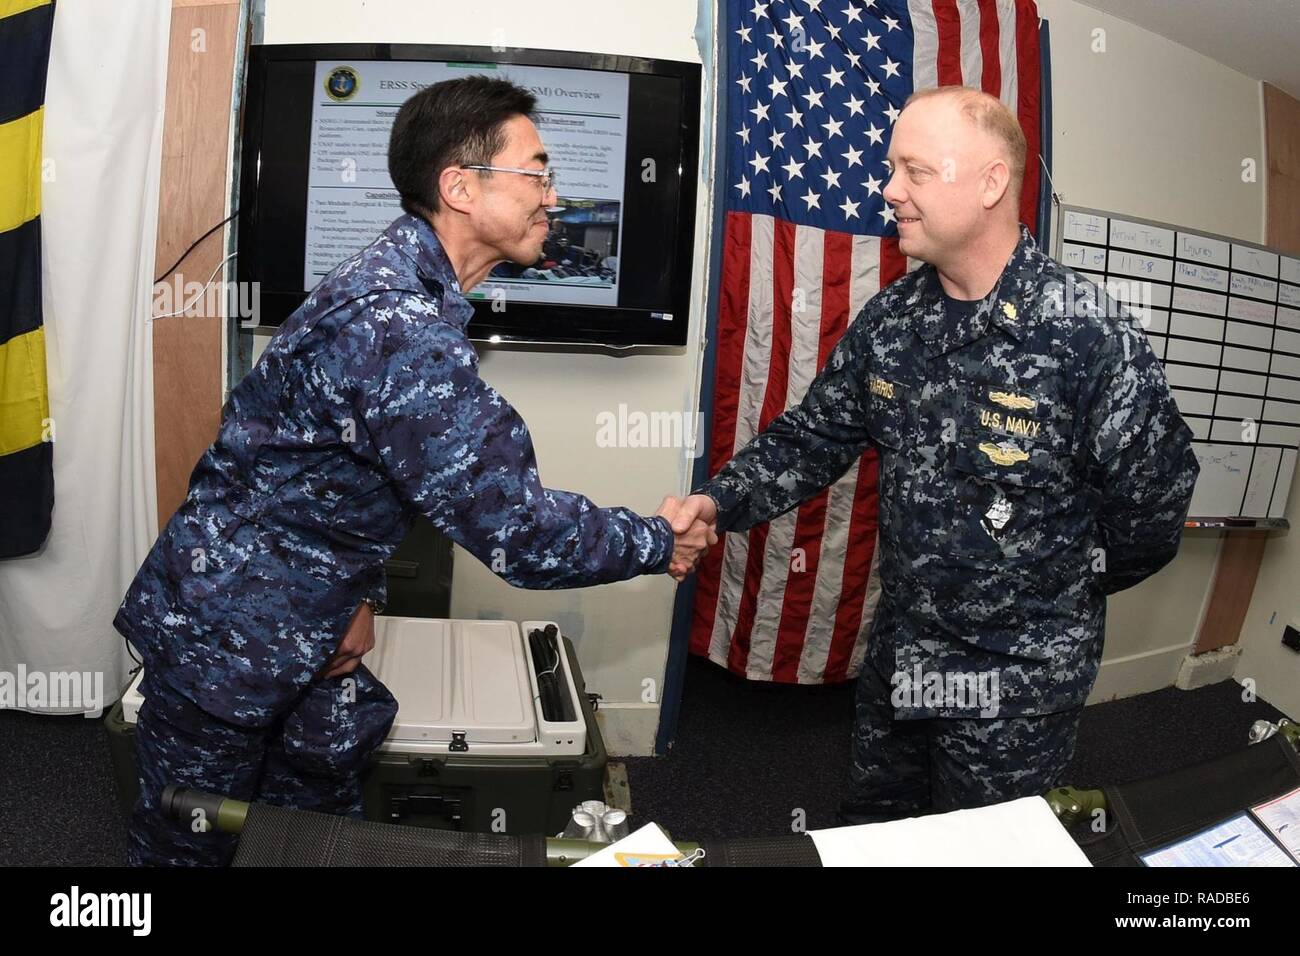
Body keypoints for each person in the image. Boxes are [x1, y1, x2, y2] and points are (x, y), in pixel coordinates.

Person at [115, 75, 715, 865]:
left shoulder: (400, 294)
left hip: (301, 624)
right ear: (461, 187)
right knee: (191, 842)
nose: (554, 197)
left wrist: (351, 596)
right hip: (230, 642)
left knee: (307, 834)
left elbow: (312, 471)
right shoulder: (396, 327)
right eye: (538, 172)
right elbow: (516, 530)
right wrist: (657, 538)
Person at [670, 86, 1198, 823]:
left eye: (914, 171)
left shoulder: (1089, 337)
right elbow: (815, 434)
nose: (889, 190)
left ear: (990, 182)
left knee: (983, 847)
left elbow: (1153, 510)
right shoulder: (895, 316)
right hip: (902, 653)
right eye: (891, 169)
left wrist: (1052, 599)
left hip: (1015, 685)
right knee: (878, 827)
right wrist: (717, 501)